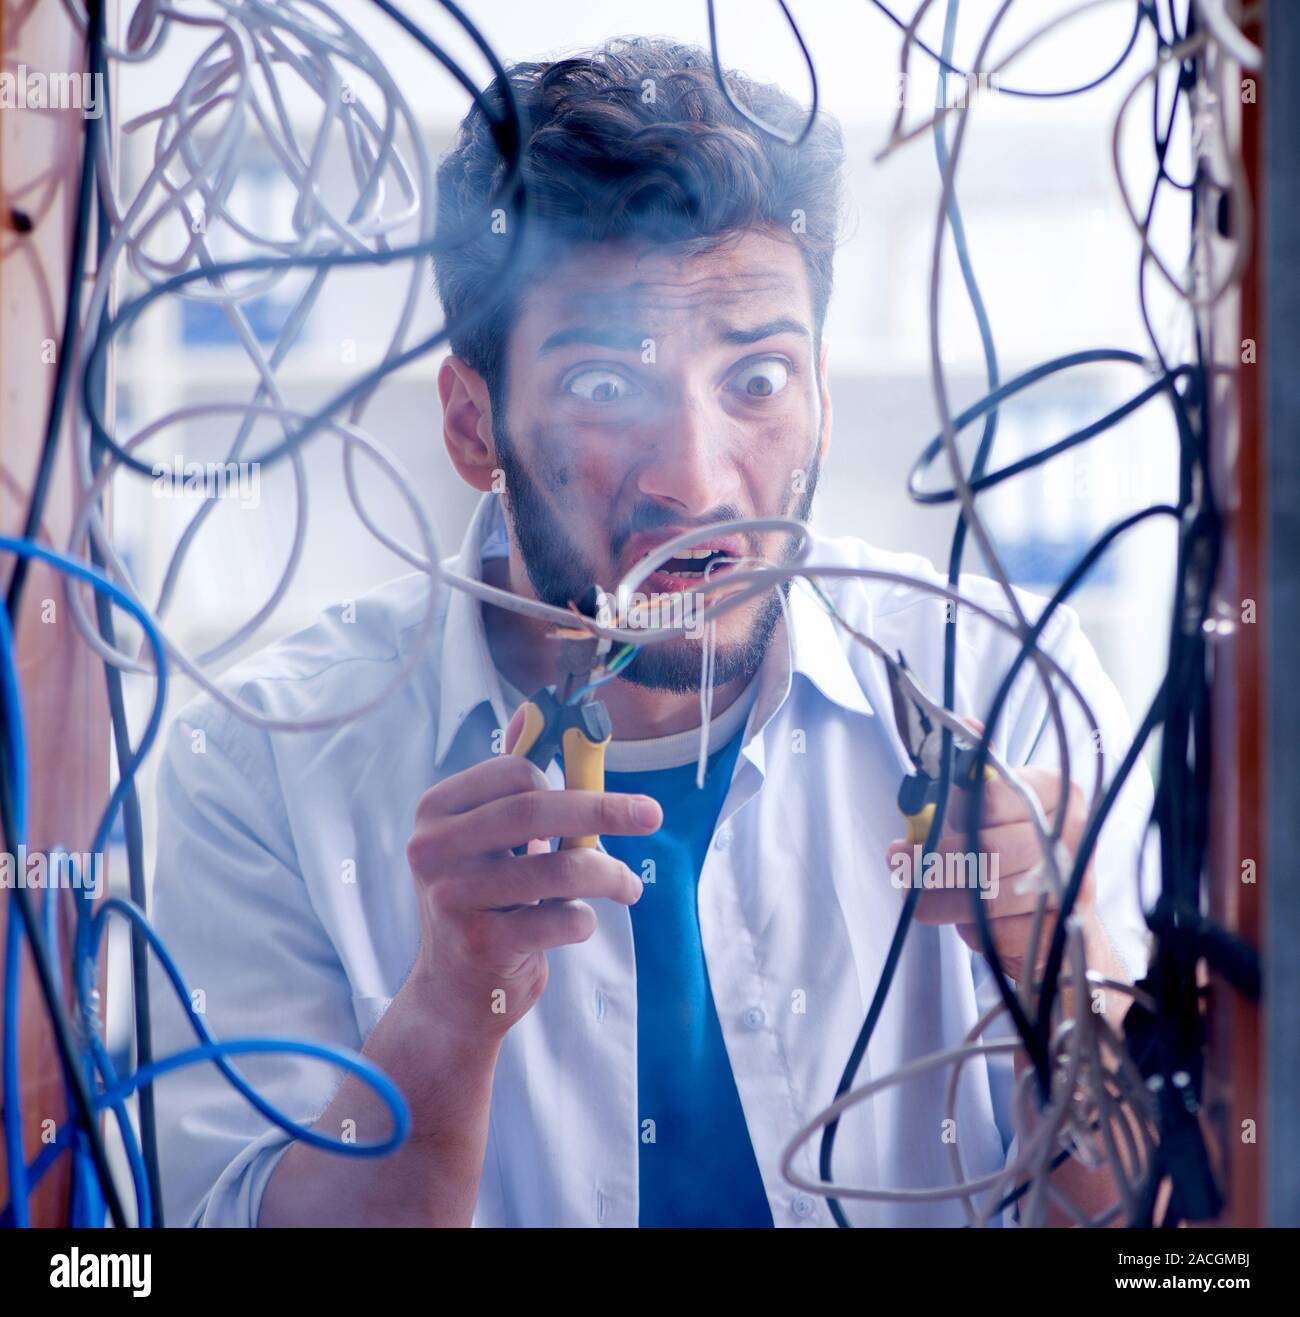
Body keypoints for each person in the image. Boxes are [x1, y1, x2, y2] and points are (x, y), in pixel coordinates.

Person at [150, 36, 1153, 1228]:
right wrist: (446, 1007)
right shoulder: (264, 762)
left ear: (822, 395)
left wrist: (1063, 974)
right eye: (604, 385)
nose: (694, 480)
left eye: (758, 382)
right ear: (473, 424)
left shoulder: (1003, 682)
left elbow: (1166, 1239)